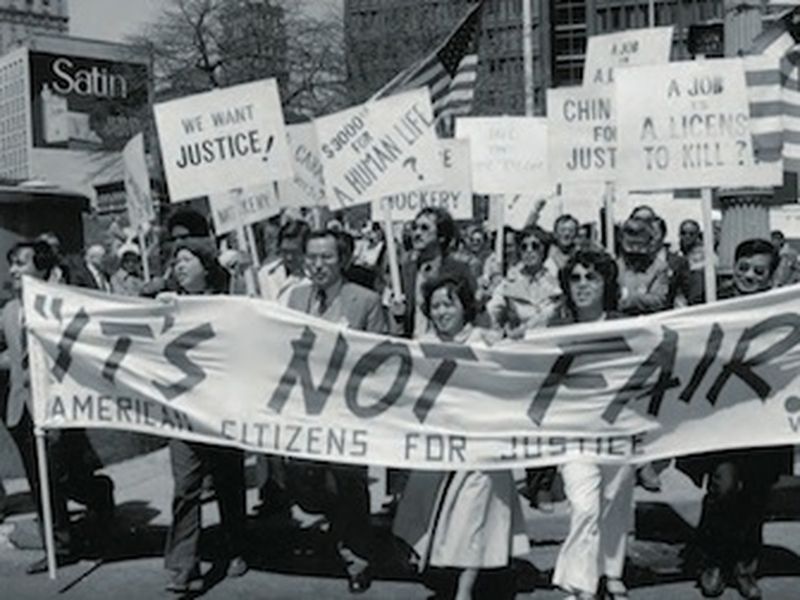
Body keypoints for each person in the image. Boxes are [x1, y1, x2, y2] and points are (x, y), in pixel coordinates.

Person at [393, 273, 529, 600]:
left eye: (448, 304)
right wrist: (398, 322)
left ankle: (464, 592)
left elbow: (518, 359)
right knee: (439, 517)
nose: (441, 312)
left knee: (473, 515)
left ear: (464, 307)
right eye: (435, 306)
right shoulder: (425, 344)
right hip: (439, 446)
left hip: (482, 446)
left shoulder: (484, 339)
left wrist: (514, 339)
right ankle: (446, 572)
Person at [678, 239, 792, 600]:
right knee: (724, 487)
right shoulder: (714, 303)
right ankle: (711, 560)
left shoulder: (782, 311)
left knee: (757, 493)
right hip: (722, 420)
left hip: (763, 419)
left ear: (770, 276)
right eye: (743, 267)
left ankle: (745, 566)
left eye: (759, 271)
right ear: (733, 266)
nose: (749, 276)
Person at [0, 240, 115, 574]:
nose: (13, 271)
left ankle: (98, 493)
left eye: (21, 264)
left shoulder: (61, 308)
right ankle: (60, 546)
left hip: (58, 405)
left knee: (63, 475)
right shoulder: (9, 311)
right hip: (21, 409)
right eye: (11, 265)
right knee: (39, 479)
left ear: (42, 269)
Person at [285, 229, 388, 593]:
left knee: (350, 483)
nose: (318, 265)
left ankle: (356, 559)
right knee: (302, 481)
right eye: (311, 257)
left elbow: (382, 359)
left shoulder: (366, 301)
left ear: (342, 260)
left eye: (326, 257)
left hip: (349, 412)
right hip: (308, 410)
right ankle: (338, 525)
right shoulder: (295, 299)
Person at [163, 237, 248, 593]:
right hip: (183, 413)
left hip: (222, 410)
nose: (179, 266)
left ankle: (237, 549)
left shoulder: (229, 303)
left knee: (228, 483)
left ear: (205, 265)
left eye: (186, 260)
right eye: (176, 261)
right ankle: (183, 566)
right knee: (185, 488)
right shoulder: (168, 303)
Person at [551, 249, 634, 600]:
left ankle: (610, 571)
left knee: (614, 502)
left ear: (606, 284)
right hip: (572, 433)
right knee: (585, 506)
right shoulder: (554, 328)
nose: (583, 285)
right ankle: (579, 586)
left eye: (592, 277)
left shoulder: (624, 325)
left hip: (617, 428)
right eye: (576, 278)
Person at [394, 207, 475, 338]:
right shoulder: (406, 270)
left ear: (441, 236)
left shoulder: (459, 270)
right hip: (414, 349)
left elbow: (471, 312)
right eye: (415, 228)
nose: (417, 233)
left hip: (448, 347)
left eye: (424, 228)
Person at [486, 225, 561, 339]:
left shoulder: (556, 282)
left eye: (535, 246)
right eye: (524, 247)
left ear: (544, 249)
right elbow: (491, 313)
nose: (529, 251)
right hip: (521, 344)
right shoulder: (508, 283)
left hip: (550, 341)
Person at [616, 217, 670, 316]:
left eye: (640, 245)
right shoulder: (615, 266)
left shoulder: (659, 267)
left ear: (649, 243)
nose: (635, 249)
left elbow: (658, 300)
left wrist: (628, 298)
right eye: (630, 245)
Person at [257, 219, 310, 305]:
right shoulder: (266, 273)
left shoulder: (314, 277)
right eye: (285, 252)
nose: (289, 257)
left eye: (295, 252)